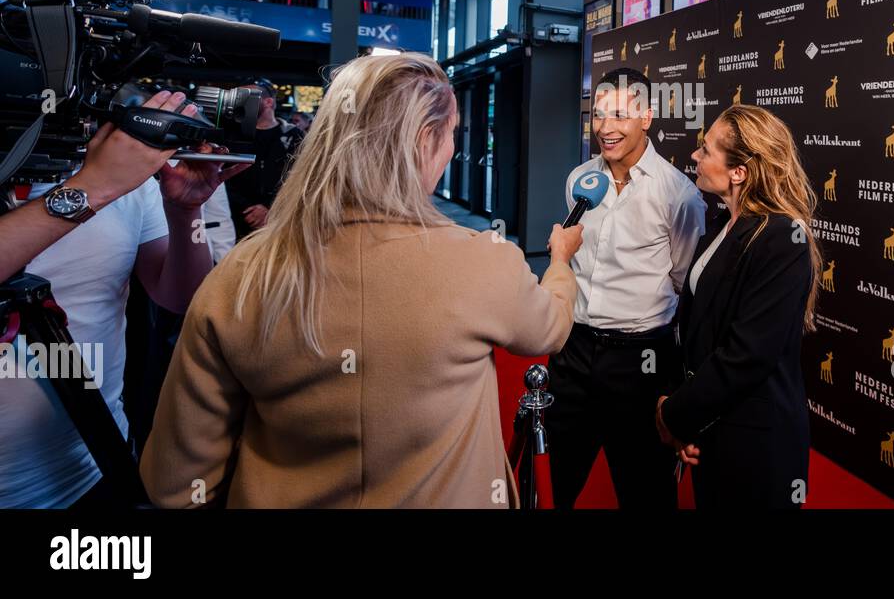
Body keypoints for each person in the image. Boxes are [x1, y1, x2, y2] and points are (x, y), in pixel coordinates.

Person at [140, 53, 584, 508]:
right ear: (425, 140)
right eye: (450, 133)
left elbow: (174, 483)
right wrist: (561, 263)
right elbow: (547, 329)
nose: (452, 149)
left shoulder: (240, 274)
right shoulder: (483, 261)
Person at [0, 90, 248, 508]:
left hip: (92, 465)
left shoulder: (125, 178)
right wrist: (92, 188)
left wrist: (186, 212)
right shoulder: (107, 176)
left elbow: (180, 297)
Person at [548, 67, 705, 509]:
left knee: (646, 491)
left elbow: (681, 280)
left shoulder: (679, 195)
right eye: (598, 115)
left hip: (641, 362)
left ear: (647, 117)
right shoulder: (578, 179)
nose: (605, 128)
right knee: (554, 480)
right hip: (571, 351)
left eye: (619, 114)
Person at [655, 104, 820, 509]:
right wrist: (687, 418)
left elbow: (746, 356)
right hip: (711, 429)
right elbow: (698, 332)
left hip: (756, 443)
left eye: (706, 150)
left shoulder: (782, 240)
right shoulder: (720, 226)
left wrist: (672, 415)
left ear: (739, 172)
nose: (695, 156)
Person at [224, 78, 304, 239]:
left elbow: (301, 177)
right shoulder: (230, 136)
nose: (241, 100)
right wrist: (247, 208)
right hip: (234, 220)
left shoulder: (293, 136)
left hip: (280, 220)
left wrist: (270, 207)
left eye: (247, 96)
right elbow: (221, 177)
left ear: (268, 102)